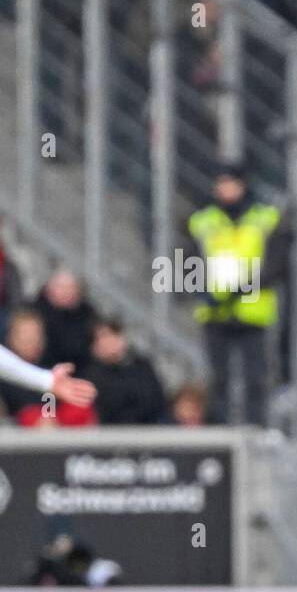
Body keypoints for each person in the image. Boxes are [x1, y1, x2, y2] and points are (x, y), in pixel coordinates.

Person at [187, 164, 286, 426]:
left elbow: (276, 264)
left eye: (231, 183)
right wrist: (202, 290)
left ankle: (256, 429)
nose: (226, 189)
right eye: (221, 183)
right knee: (219, 379)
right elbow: (189, 259)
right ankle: (220, 431)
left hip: (252, 308)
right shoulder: (203, 220)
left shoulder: (266, 218)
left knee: (256, 378)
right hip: (215, 309)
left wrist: (241, 288)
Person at [0, 311, 97, 420]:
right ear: (11, 337)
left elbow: (48, 409)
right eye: (25, 333)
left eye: (35, 334)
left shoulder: (50, 372)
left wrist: (48, 381)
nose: (31, 339)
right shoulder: (5, 380)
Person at [81, 319, 168, 425]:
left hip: (146, 432)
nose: (109, 342)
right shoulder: (91, 375)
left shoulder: (143, 367)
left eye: (113, 335)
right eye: (103, 337)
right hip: (108, 435)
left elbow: (156, 401)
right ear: (94, 346)